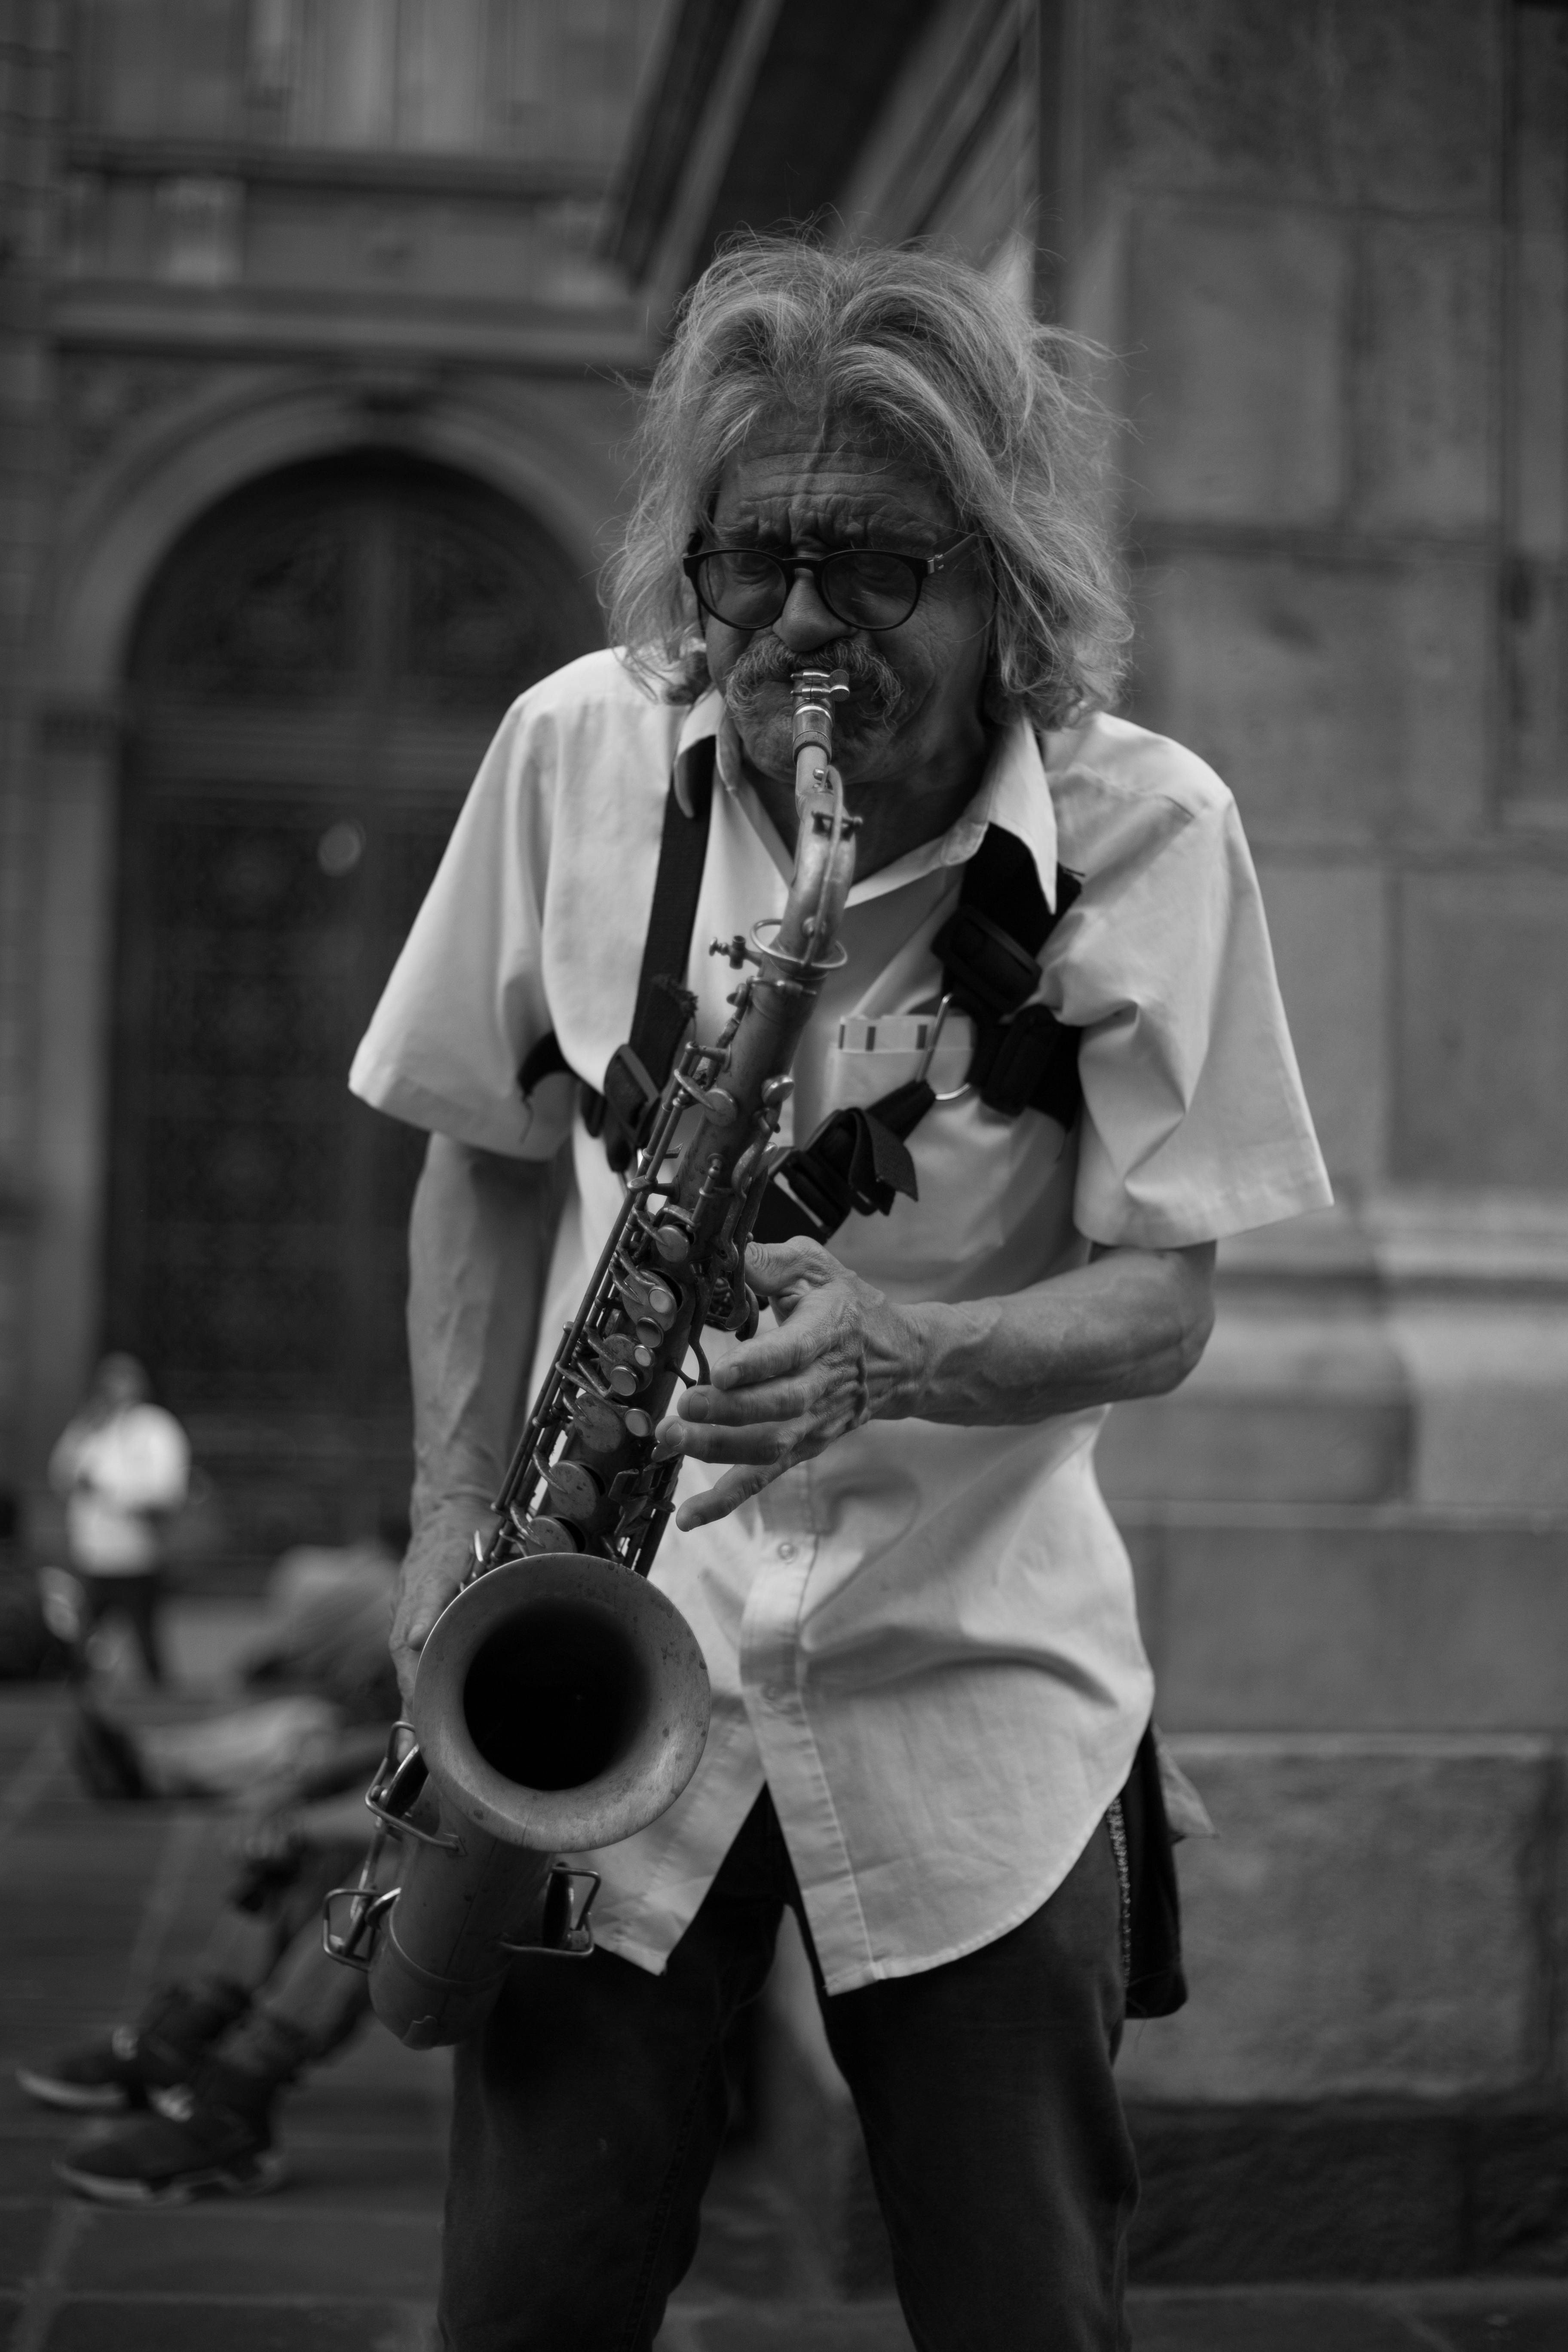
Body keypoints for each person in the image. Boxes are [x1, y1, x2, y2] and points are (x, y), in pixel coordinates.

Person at [348, 240, 1332, 2351]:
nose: (800, 629)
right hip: (606, 1661)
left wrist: (915, 1344)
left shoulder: (1149, 833)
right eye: (752, 557)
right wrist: (449, 1520)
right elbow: (475, 1140)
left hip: (976, 1684)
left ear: (1005, 576)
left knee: (1025, 2306)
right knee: (524, 2305)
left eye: (876, 565)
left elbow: (1165, 1299)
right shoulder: (573, 755)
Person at [47, 1354, 189, 1684]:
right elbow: (62, 1475)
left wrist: (108, 1490)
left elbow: (166, 1489)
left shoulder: (156, 1427)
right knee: (81, 1644)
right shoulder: (90, 1425)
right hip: (92, 1553)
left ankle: (160, 1705)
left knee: (147, 1644)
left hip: (136, 1555)